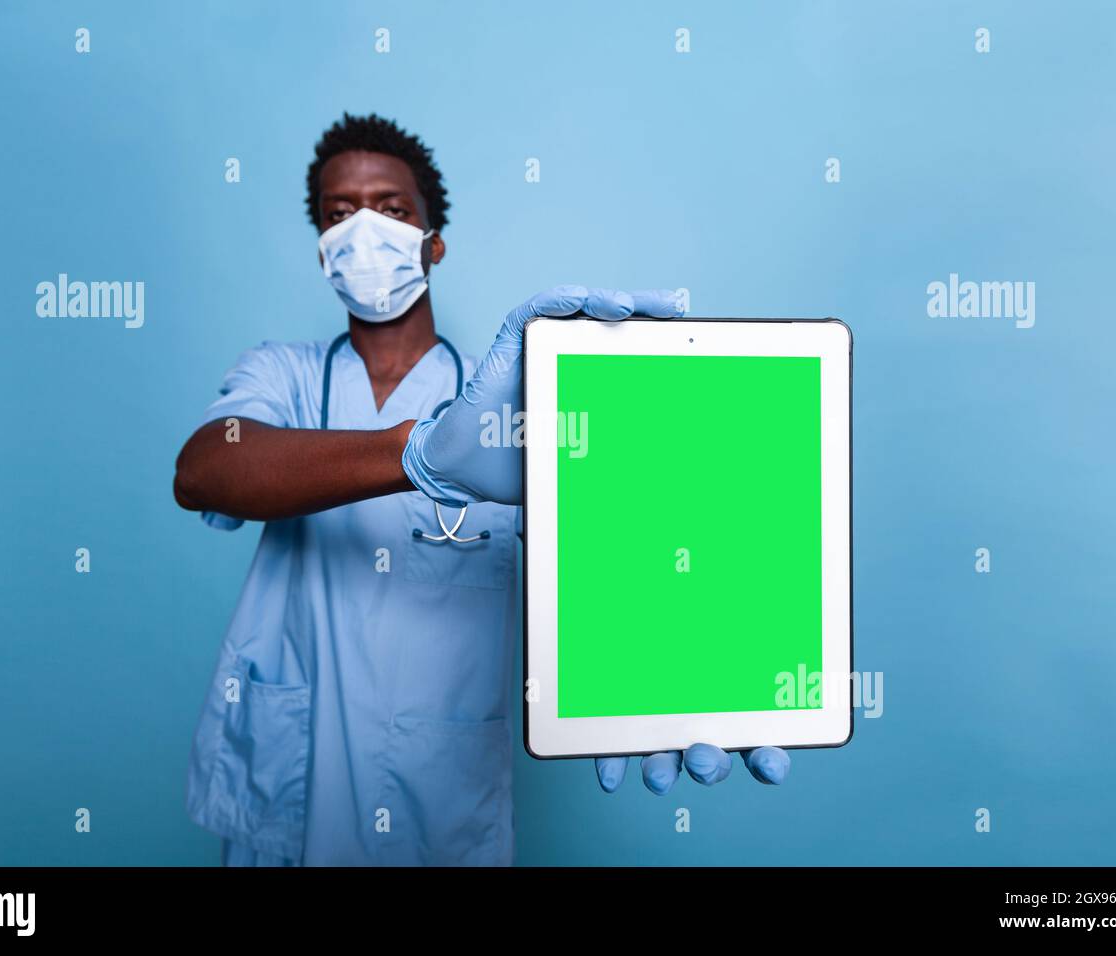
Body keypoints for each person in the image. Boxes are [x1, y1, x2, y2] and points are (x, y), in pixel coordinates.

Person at [173, 113, 789, 867]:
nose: (364, 228)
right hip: (292, 796)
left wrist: (696, 667)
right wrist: (422, 454)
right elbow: (206, 470)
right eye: (340, 214)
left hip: (443, 801)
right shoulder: (283, 376)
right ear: (322, 250)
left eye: (392, 209)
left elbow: (631, 553)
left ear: (433, 242)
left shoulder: (509, 408)